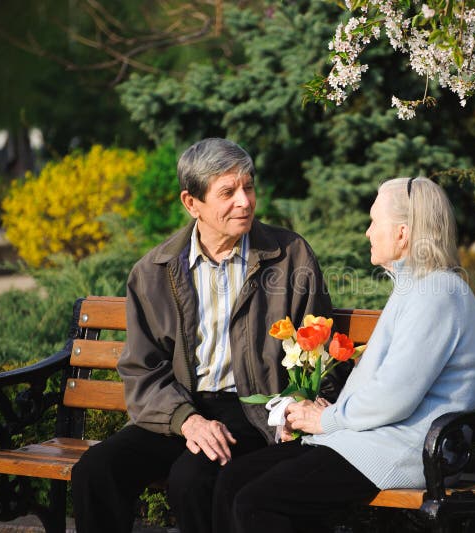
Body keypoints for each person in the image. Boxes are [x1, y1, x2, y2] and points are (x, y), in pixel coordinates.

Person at [71, 138, 333, 533]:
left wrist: (297, 407)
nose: (244, 201)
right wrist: (186, 420)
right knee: (95, 471)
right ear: (191, 203)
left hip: (252, 411)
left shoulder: (290, 256)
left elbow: (320, 350)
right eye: (227, 192)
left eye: (248, 187)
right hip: (179, 408)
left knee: (193, 480)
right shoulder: (154, 270)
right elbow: (143, 370)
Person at [212, 177, 475, 532]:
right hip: (368, 442)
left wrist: (326, 421)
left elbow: (395, 396)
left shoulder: (437, 293)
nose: (367, 233)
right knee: (232, 479)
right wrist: (331, 416)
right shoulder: (416, 288)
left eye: (374, 222)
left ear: (402, 234)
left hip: (403, 450)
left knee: (256, 502)